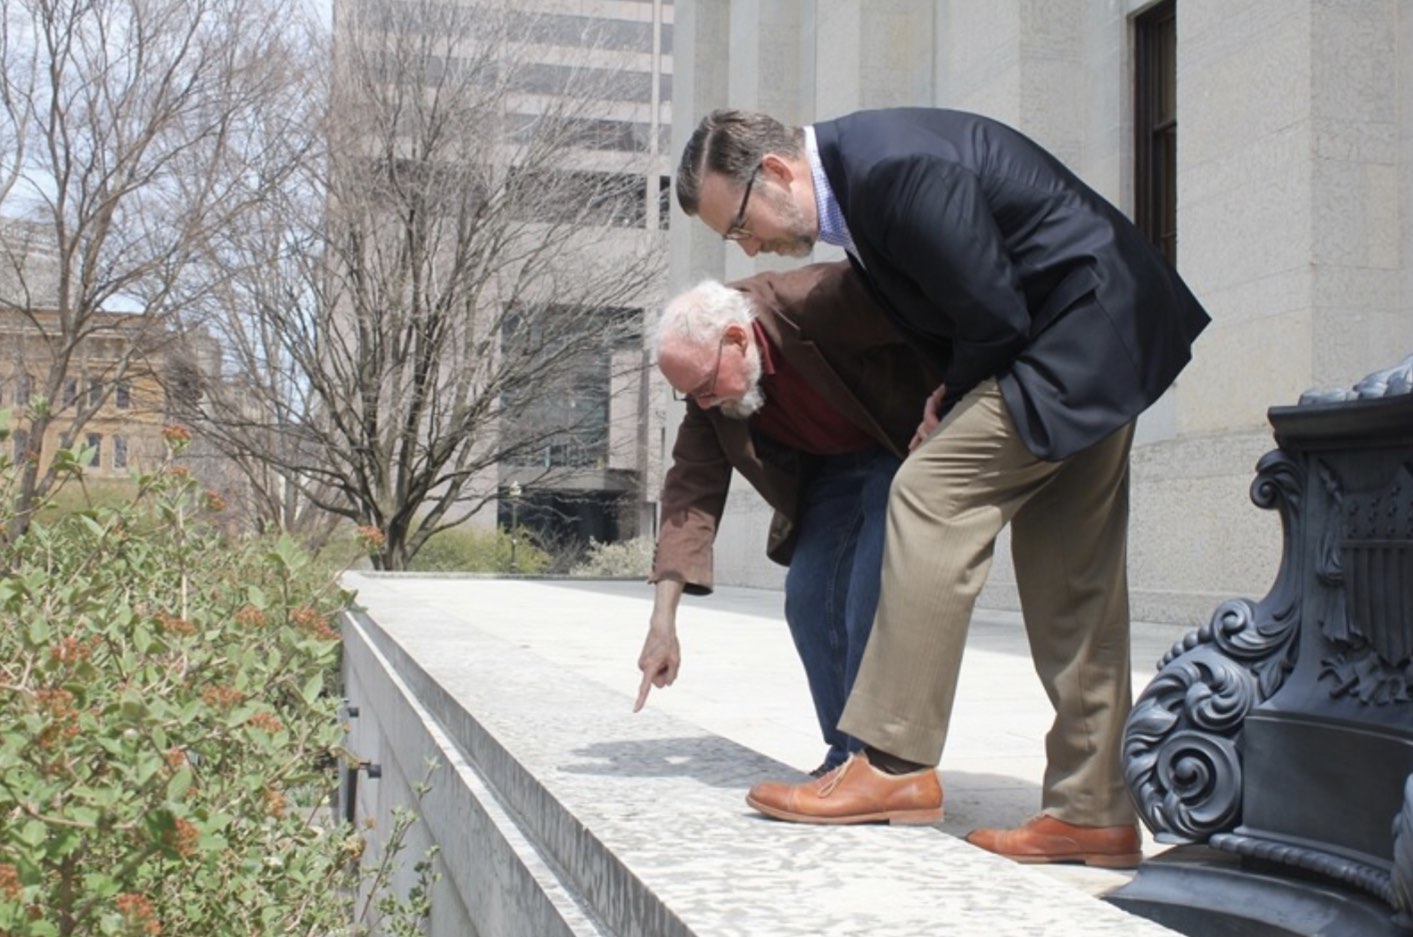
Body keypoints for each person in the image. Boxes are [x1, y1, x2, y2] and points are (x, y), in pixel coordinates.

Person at [675, 107, 1211, 868]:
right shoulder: (868, 183)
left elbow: (990, 310)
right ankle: (1092, 811)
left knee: (928, 493)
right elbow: (972, 299)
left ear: (776, 172)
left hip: (1074, 332)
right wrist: (949, 386)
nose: (749, 247)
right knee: (1072, 576)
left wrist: (954, 391)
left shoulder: (891, 169)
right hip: (1102, 330)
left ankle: (891, 765)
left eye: (738, 226)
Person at [637, 260, 942, 777]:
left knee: (870, 593)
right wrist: (662, 623)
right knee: (808, 598)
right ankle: (847, 752)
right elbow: (689, 493)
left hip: (899, 443)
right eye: (691, 396)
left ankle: (882, 763)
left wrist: (950, 401)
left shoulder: (816, 301)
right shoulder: (707, 393)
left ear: (736, 338)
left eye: (707, 387)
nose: (705, 403)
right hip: (828, 473)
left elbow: (932, 316)